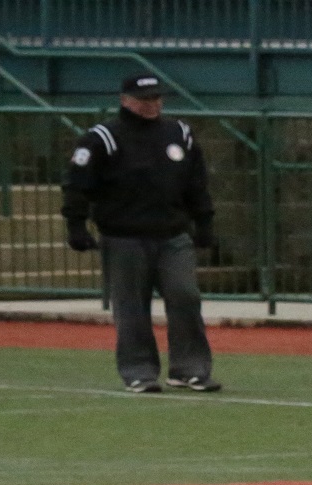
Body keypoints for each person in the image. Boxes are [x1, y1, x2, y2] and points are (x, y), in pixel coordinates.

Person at [61, 72, 221, 394]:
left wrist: (204, 223)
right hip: (124, 237)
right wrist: (76, 226)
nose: (152, 105)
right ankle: (139, 371)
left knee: (185, 296)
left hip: (173, 235)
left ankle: (189, 369)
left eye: (156, 98)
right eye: (144, 99)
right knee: (132, 306)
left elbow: (196, 184)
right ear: (125, 100)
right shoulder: (102, 137)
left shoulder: (180, 134)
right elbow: (77, 185)